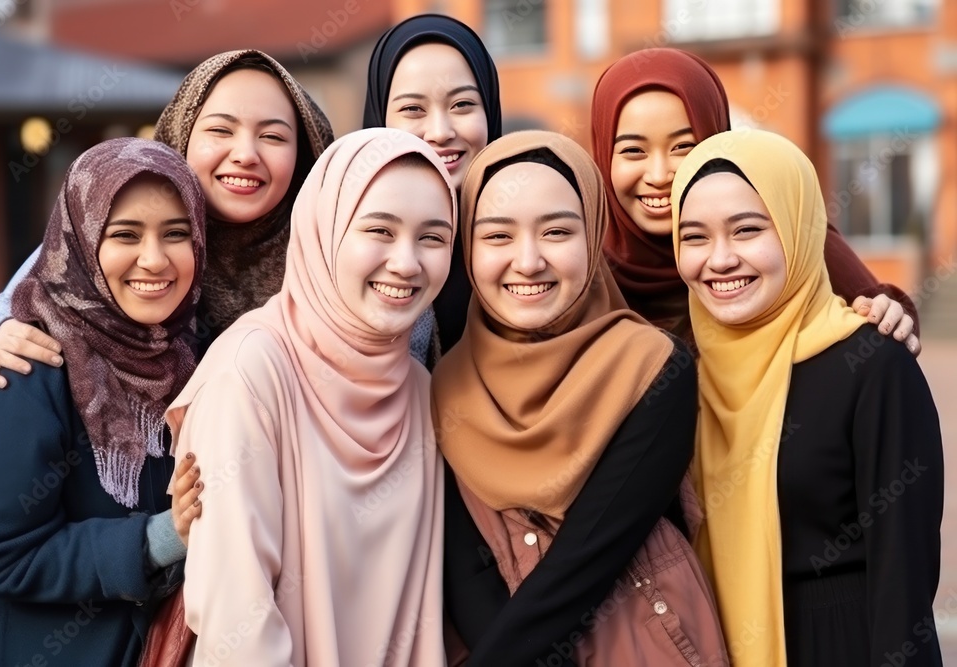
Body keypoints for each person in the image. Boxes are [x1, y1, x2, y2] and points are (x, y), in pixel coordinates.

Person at [434, 130, 728, 666]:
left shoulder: (652, 367)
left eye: (555, 232)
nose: (528, 261)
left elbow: (589, 557)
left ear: (592, 235)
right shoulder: (442, 385)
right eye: (497, 236)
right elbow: (464, 568)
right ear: (465, 247)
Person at [165, 128, 457, 666]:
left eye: (433, 238)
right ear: (324, 231)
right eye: (379, 230)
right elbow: (237, 622)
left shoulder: (419, 390)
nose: (407, 262)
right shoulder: (250, 373)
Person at [673, 128, 943, 666]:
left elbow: (904, 575)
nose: (720, 259)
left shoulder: (870, 364)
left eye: (747, 230)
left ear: (799, 230)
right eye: (695, 237)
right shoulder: (681, 374)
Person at [0, 138, 206, 665]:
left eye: (176, 234)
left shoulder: (195, 355)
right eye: (125, 235)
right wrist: (161, 537)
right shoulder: (28, 365)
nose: (154, 259)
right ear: (82, 240)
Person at [0, 49, 335, 392]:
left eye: (272, 136)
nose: (246, 154)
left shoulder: (328, 254)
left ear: (304, 154)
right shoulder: (96, 246)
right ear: (181, 136)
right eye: (220, 130)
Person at [589, 48, 920, 353]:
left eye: (683, 147)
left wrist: (890, 314)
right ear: (604, 155)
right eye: (633, 151)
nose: (659, 175)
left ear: (716, 141)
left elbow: (886, 315)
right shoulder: (584, 262)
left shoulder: (783, 230)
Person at [363, 13, 502, 358]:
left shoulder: (530, 244)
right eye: (413, 108)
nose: (440, 131)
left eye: (463, 105)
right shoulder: (347, 247)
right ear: (380, 117)